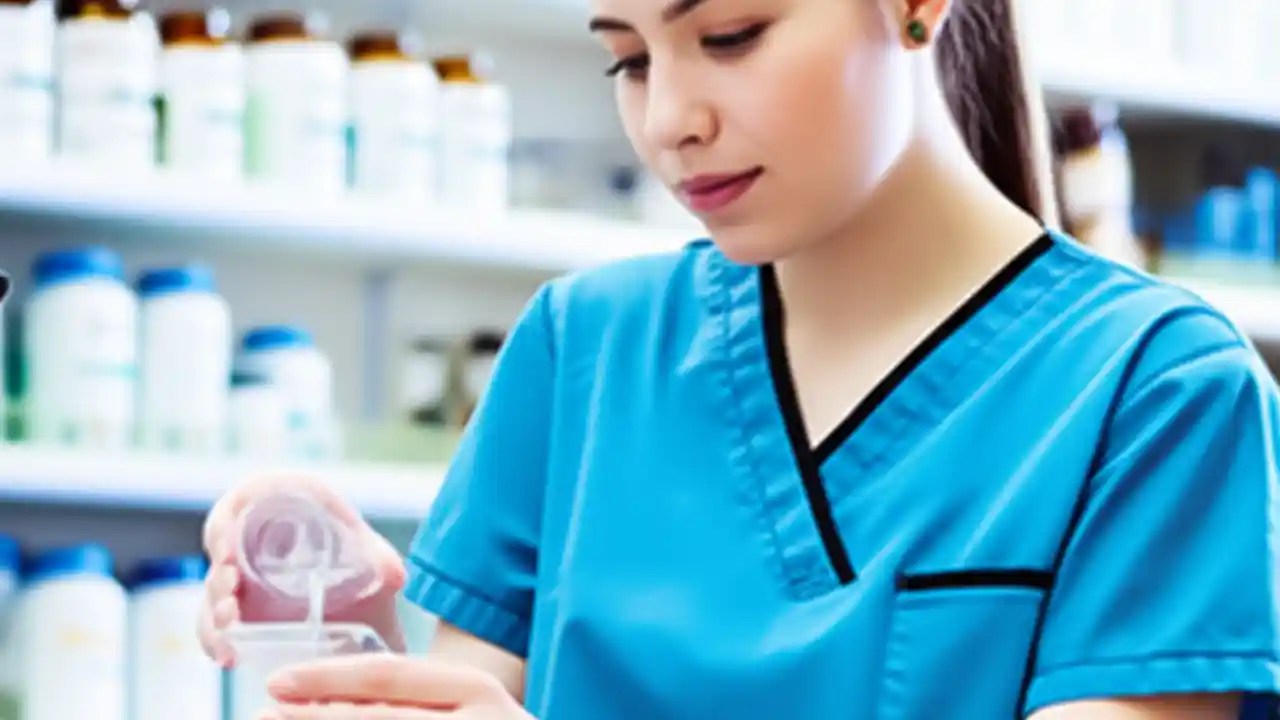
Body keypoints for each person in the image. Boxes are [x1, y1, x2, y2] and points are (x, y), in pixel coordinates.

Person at [198, 0, 1280, 717]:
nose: (669, 119)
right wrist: (344, 647)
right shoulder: (579, 349)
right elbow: (466, 696)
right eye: (625, 58)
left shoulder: (1157, 392)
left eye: (728, 34)